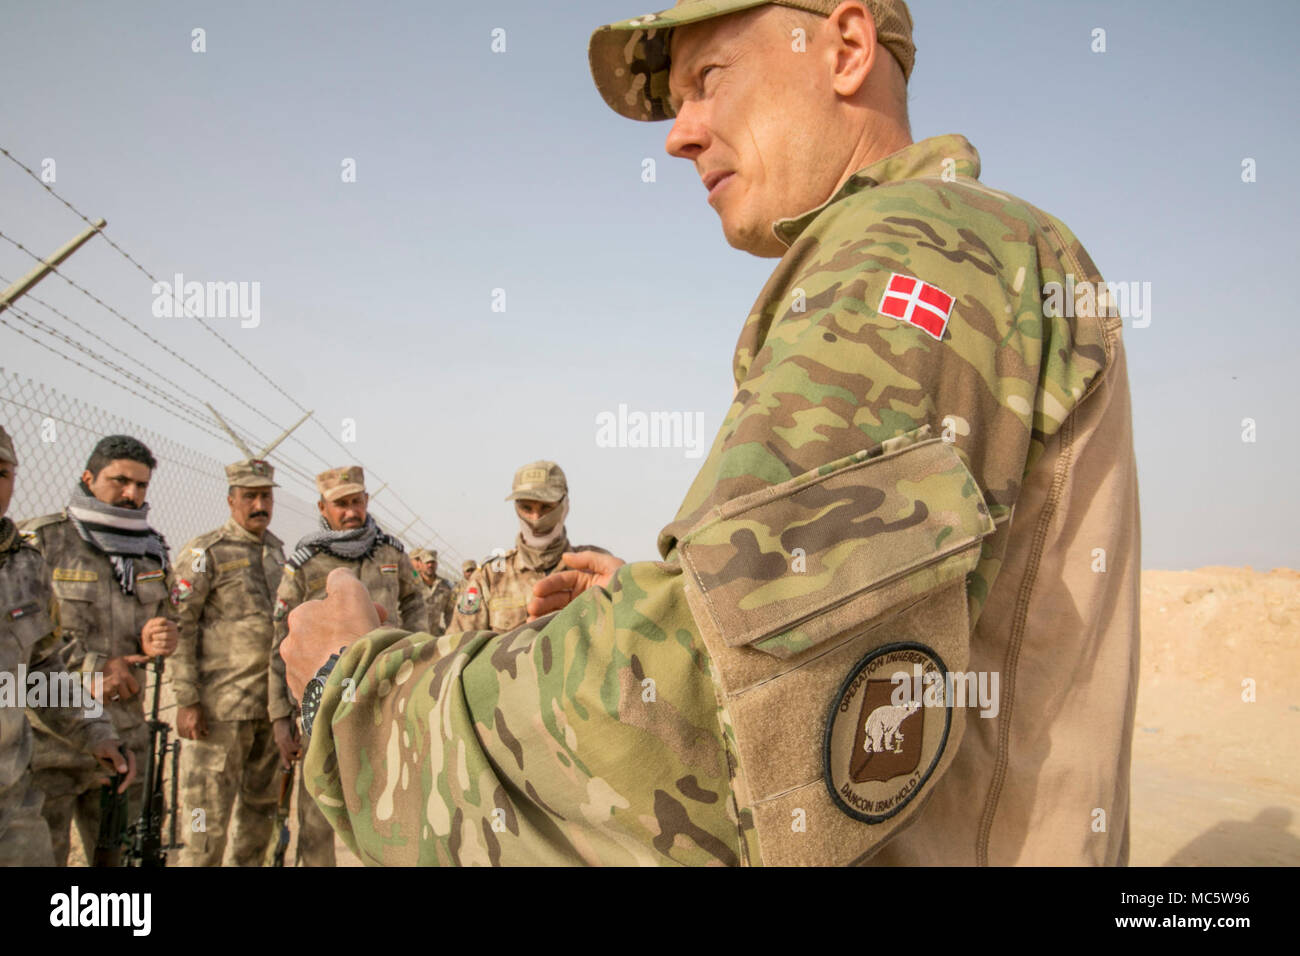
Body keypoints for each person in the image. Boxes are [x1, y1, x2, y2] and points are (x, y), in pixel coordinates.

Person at [284, 0, 1140, 866]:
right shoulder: (971, 245)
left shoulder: (917, 244)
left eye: (708, 80)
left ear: (844, 47)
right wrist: (684, 598)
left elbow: (708, 723)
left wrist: (358, 687)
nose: (679, 136)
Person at [20, 434, 179, 865]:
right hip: (50, 743)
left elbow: (168, 620)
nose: (131, 494)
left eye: (142, 486)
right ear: (89, 478)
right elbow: (25, 642)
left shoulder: (152, 552)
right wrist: (93, 667)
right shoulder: (43, 541)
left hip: (124, 740)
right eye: (120, 481)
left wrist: (161, 638)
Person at [269, 466, 426, 866]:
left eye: (357, 501)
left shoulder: (391, 552)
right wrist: (278, 715)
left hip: (391, 701)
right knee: (321, 815)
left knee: (399, 811)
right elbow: (278, 640)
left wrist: (416, 646)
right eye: (341, 504)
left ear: (367, 502)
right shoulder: (305, 562)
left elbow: (415, 601)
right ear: (323, 507)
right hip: (323, 706)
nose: (351, 511)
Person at [0, 425, 136, 866]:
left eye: (1, 472)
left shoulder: (24, 566)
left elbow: (40, 671)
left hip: (10, 802)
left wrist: (95, 732)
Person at [171, 458, 291, 866]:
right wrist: (186, 699)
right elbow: (180, 626)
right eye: (250, 496)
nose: (260, 504)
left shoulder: (277, 553)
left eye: (266, 496)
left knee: (258, 824)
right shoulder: (206, 552)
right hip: (218, 713)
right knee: (205, 828)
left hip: (269, 711)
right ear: (231, 500)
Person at [448, 461, 608, 634]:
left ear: (565, 505)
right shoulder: (491, 576)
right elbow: (458, 650)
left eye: (546, 507)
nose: (536, 518)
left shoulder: (596, 569)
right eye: (526, 507)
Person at [409, 548, 453, 637]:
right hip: (412, 636)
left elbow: (450, 614)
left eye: (432, 563)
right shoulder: (410, 584)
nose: (430, 565)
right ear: (420, 564)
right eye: (427, 563)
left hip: (433, 637)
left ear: (436, 564)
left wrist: (450, 634)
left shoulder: (445, 586)